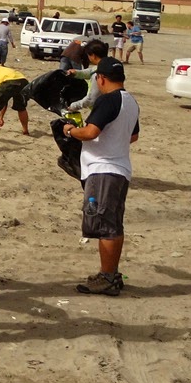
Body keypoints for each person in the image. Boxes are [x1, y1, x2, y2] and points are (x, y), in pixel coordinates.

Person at [62, 58, 139, 296]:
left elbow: (90, 132)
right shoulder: (130, 101)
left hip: (103, 170)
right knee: (113, 224)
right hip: (120, 168)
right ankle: (111, 273)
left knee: (105, 226)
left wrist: (70, 130)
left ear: (101, 78)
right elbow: (133, 136)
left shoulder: (108, 100)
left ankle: (107, 278)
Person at [65, 39, 111, 114]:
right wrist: (76, 73)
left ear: (93, 56)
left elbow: (91, 99)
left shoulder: (98, 75)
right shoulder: (108, 65)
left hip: (102, 110)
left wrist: (74, 106)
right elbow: (91, 71)